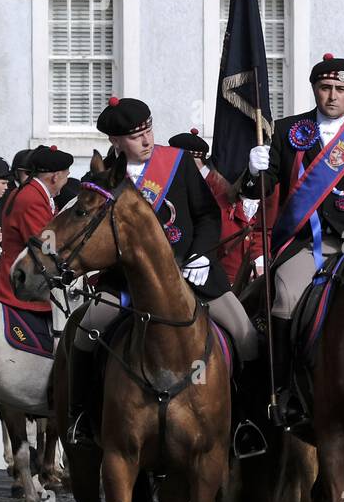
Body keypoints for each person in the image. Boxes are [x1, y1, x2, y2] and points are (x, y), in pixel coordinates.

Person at [67, 97, 265, 458]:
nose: (145, 141)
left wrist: (202, 254)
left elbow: (207, 215)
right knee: (86, 333)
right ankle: (82, 416)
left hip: (194, 272)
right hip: (127, 282)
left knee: (246, 335)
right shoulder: (102, 180)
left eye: (147, 131)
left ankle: (246, 423)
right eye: (135, 136)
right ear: (115, 142)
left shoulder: (176, 164)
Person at [244, 54, 344, 427]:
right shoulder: (288, 130)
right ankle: (283, 390)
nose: (332, 96)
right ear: (315, 89)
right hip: (303, 243)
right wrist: (253, 171)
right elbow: (260, 190)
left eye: (341, 89)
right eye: (325, 88)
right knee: (283, 301)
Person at [171, 128, 280, 290]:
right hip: (212, 274)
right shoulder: (210, 190)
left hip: (253, 276)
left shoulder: (271, 188)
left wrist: (260, 259)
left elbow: (264, 229)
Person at [0, 145, 74, 313]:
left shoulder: (31, 192)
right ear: (55, 177)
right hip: (23, 282)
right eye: (67, 175)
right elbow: (47, 247)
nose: (67, 181)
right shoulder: (32, 199)